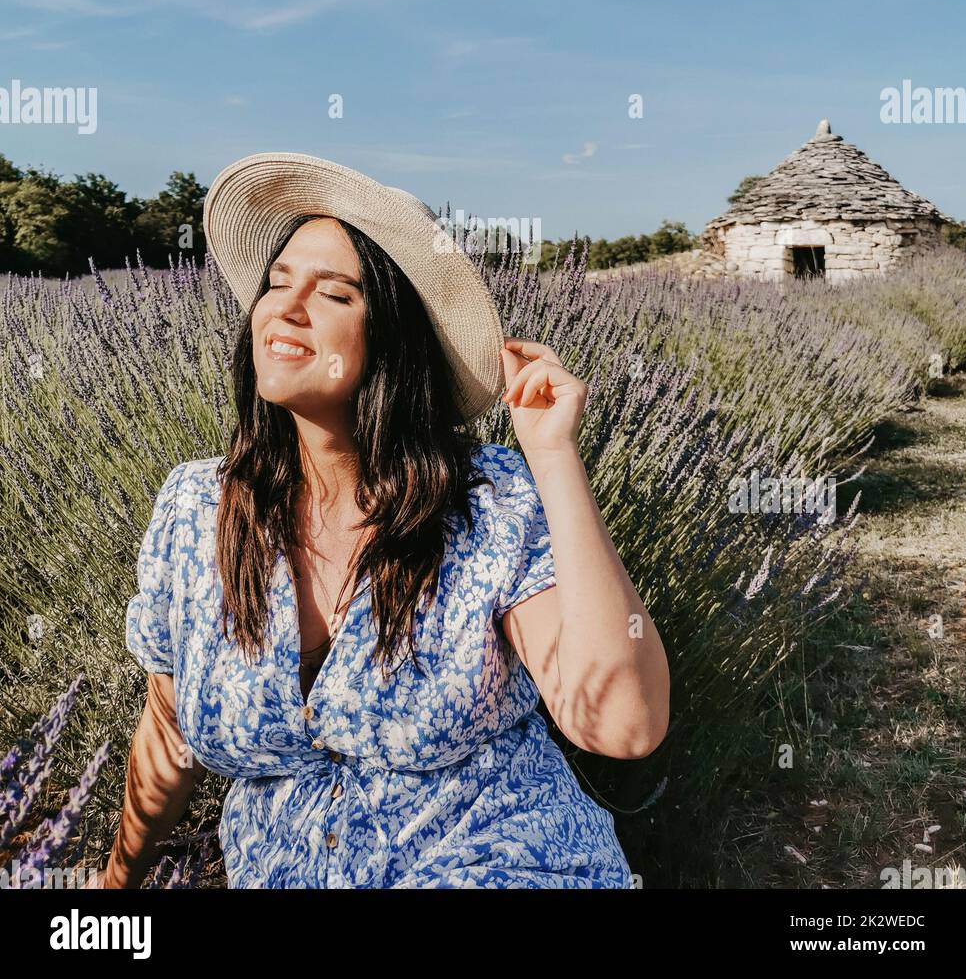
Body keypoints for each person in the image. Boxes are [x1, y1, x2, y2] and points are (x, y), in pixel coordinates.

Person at [95, 151, 669, 889]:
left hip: (501, 859)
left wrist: (553, 458)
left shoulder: (487, 502)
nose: (287, 306)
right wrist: (112, 888)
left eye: (334, 294)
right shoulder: (196, 508)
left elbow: (620, 724)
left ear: (394, 340)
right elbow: (169, 730)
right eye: (277, 282)